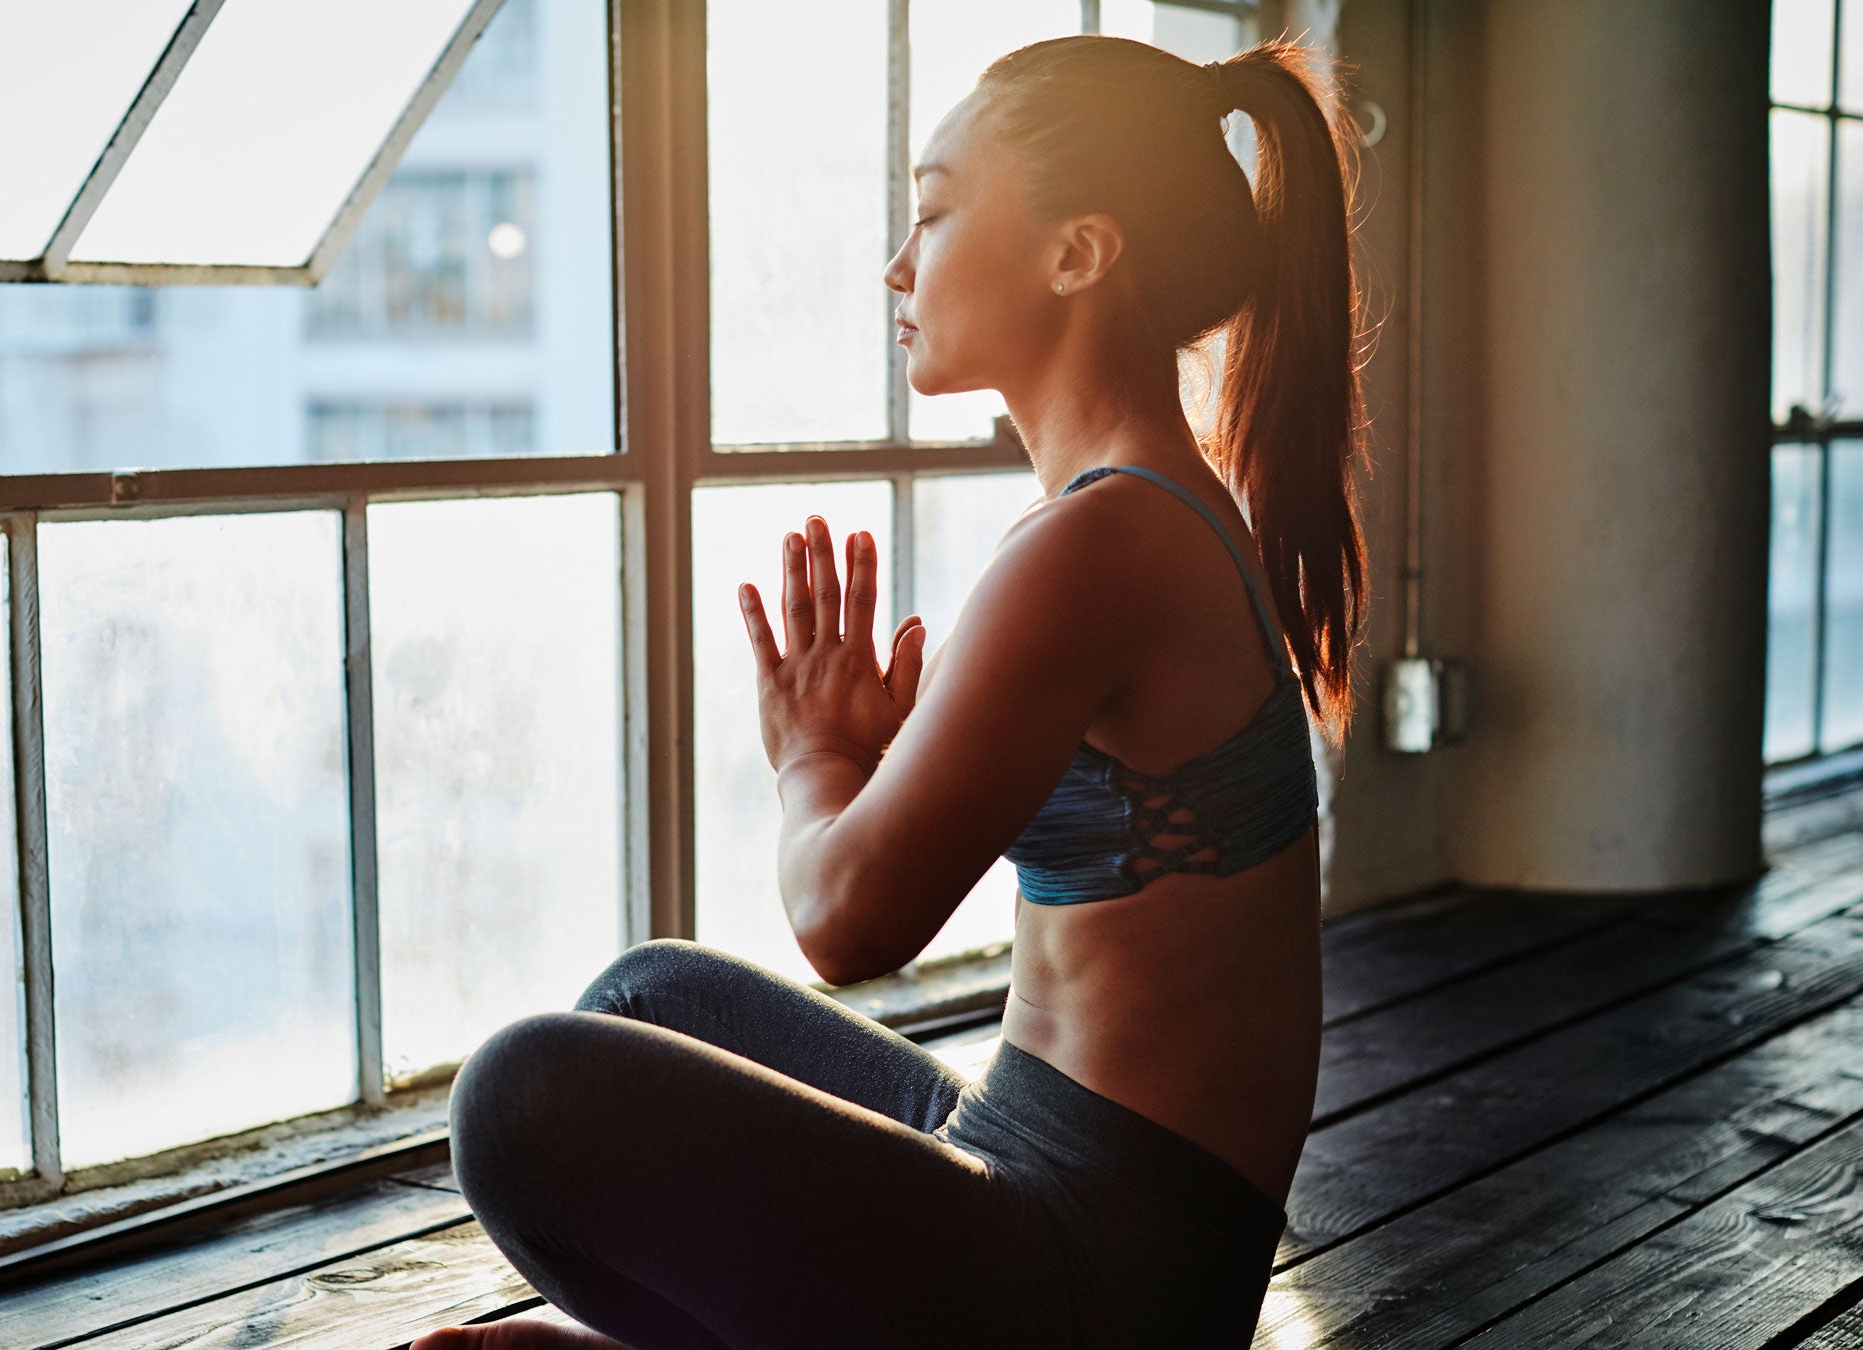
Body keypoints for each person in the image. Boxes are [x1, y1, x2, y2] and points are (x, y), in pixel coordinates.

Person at [414, 30, 1362, 1349]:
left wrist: (814, 764)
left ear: (1077, 252)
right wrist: (877, 766)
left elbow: (848, 921)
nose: (897, 264)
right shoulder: (1153, 506)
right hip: (1041, 1171)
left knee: (520, 1099)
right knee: (648, 996)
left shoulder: (1098, 543)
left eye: (934, 210)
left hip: (1099, 1285)